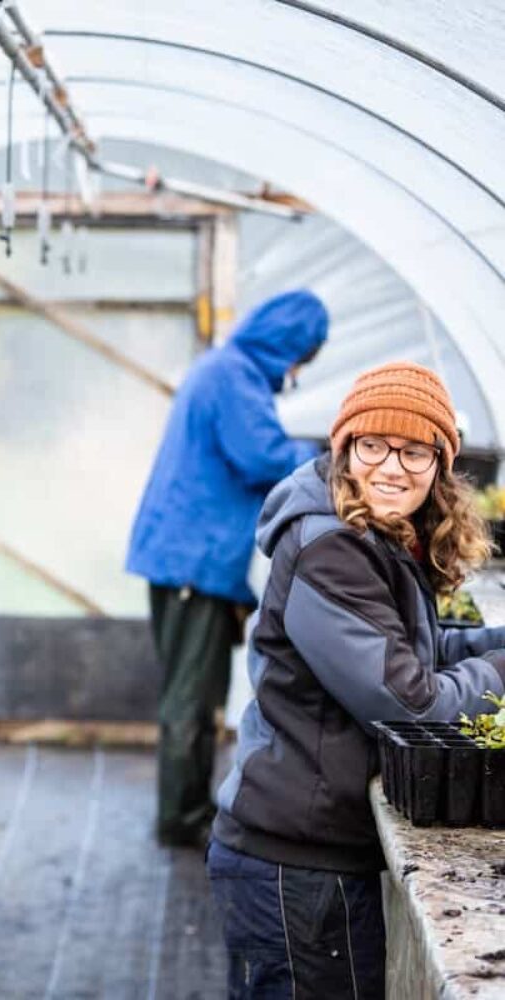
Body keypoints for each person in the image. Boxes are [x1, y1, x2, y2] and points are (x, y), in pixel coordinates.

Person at [208, 361, 505, 998]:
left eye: (415, 450)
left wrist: (494, 647)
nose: (392, 466)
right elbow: (412, 703)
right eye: (373, 445)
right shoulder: (330, 547)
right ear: (344, 448)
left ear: (440, 464)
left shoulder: (372, 534)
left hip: (310, 849)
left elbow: (413, 653)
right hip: (295, 865)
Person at [126, 290, 329, 847]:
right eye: (300, 358)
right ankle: (183, 819)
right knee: (191, 695)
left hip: (186, 555)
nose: (295, 372)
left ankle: (186, 809)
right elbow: (262, 456)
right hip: (194, 560)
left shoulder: (224, 368)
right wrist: (332, 453)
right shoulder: (234, 377)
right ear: (286, 344)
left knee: (192, 688)